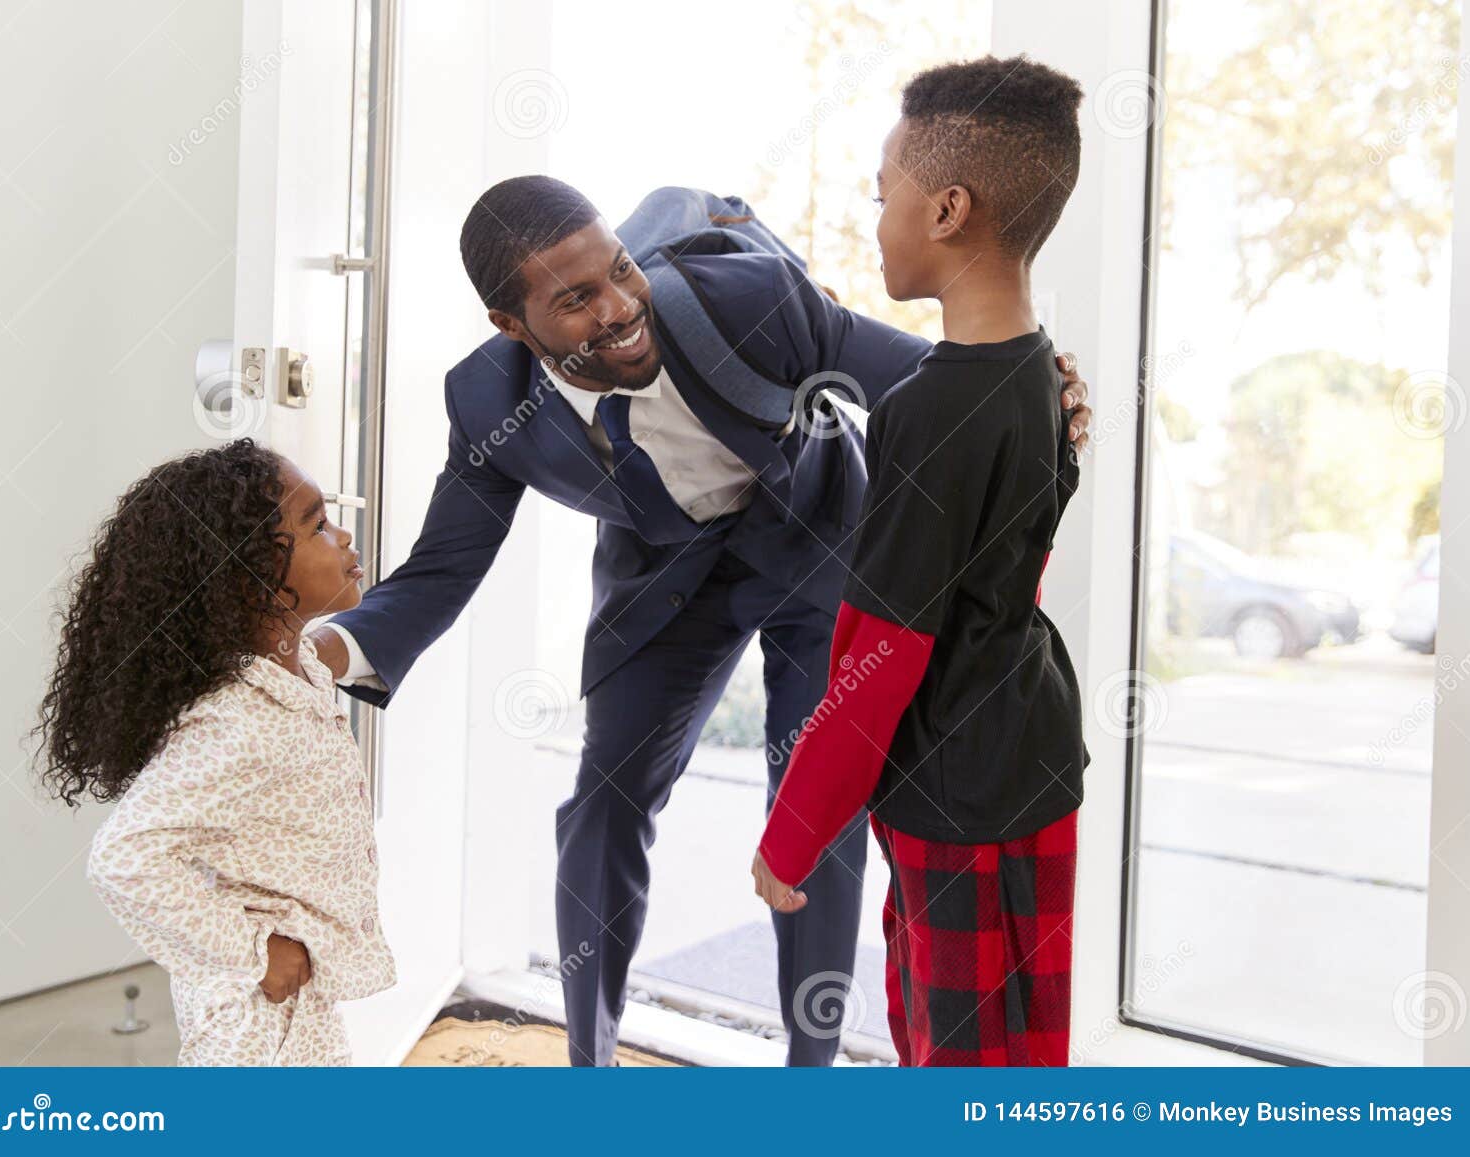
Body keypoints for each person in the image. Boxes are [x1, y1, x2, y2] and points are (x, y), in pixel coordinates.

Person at [308, 176, 1094, 1066]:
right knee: (603, 803)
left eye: (619, 272)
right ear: (511, 325)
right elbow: (443, 567)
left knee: (815, 800)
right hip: (665, 585)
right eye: (575, 301)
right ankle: (589, 1066)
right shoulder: (491, 404)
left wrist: (1032, 390)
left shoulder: (746, 299)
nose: (616, 309)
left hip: (814, 537)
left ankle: (809, 1070)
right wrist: (327, 645)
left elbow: (921, 380)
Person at [753, 55, 1090, 1067]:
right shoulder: (1040, 368)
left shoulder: (925, 410)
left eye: (881, 194)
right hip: (1038, 754)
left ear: (946, 209)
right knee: (1029, 1048)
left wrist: (791, 832)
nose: (875, 217)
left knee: (950, 1055)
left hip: (953, 793)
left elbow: (878, 656)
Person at [33, 439, 394, 1066]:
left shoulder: (296, 670)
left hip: (300, 1004)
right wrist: (253, 950)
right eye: (317, 525)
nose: (342, 537)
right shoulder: (235, 721)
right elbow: (125, 860)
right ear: (251, 575)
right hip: (255, 1021)